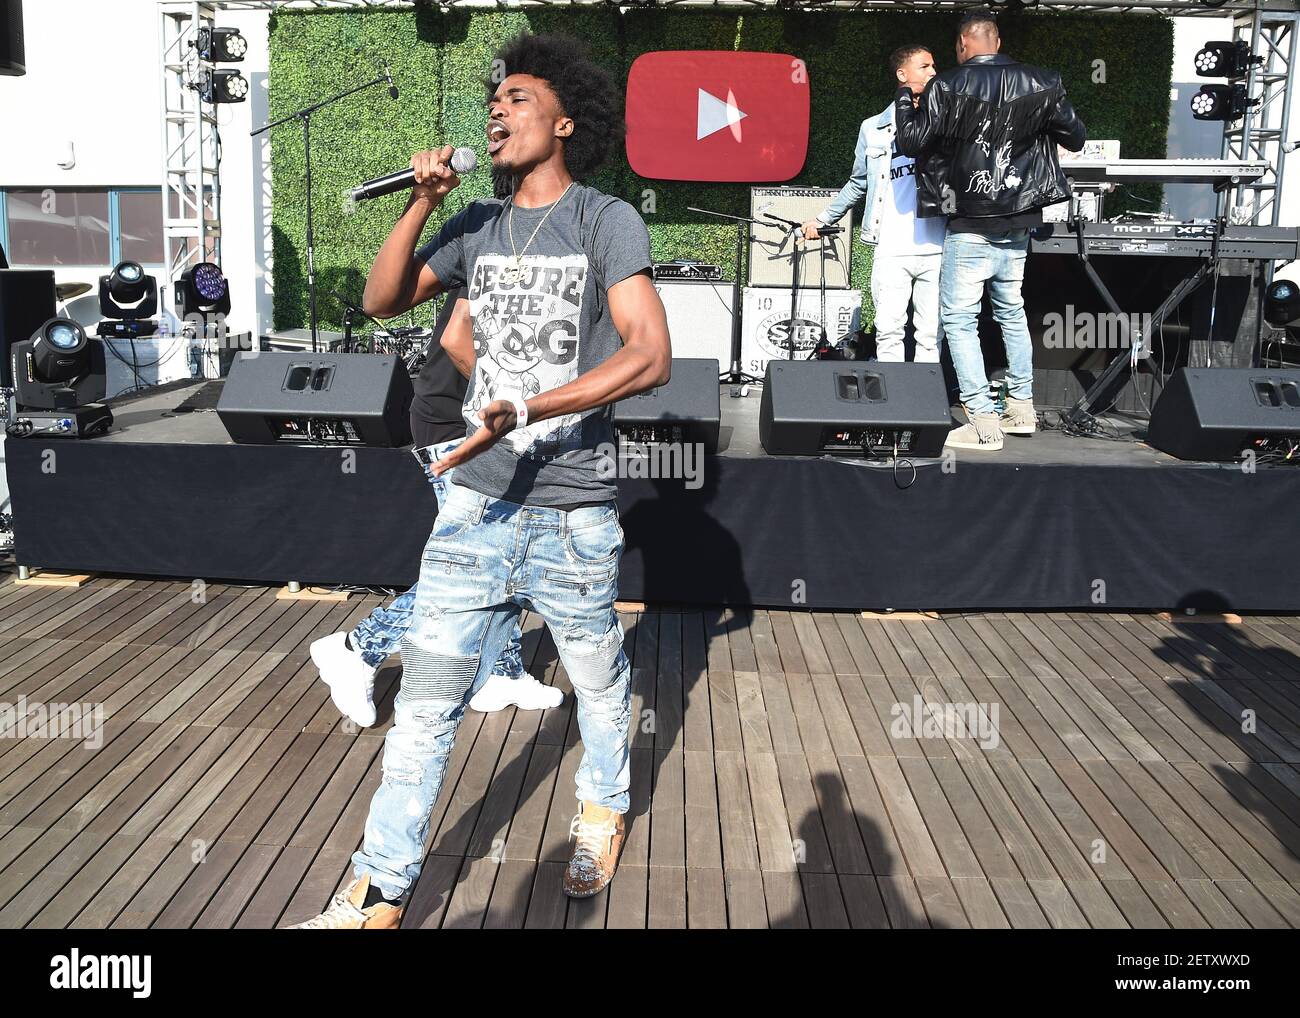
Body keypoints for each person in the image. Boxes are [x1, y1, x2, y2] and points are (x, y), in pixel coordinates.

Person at [289, 31, 671, 929]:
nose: (498, 111)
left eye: (521, 100)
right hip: (475, 507)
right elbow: (384, 299)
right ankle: (379, 889)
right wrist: (421, 205)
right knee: (425, 709)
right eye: (493, 102)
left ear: (567, 121)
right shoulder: (477, 227)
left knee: (601, 683)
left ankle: (602, 808)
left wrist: (530, 408)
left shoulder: (605, 221)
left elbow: (651, 355)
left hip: (572, 511)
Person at [307, 281, 563, 726]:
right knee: (466, 568)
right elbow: (455, 337)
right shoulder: (496, 244)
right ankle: (357, 649)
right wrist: (517, 402)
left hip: (481, 423)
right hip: (456, 425)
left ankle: (500, 673)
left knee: (496, 558)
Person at [895, 9, 1086, 450]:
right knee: (1011, 314)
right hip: (1019, 220)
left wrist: (907, 94)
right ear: (996, 41)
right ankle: (1021, 410)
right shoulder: (1044, 81)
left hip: (969, 220)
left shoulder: (948, 84)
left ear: (963, 45)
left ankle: (982, 422)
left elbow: (912, 141)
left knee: (960, 321)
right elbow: (1074, 137)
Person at [803, 45, 944, 363]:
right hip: (891, 246)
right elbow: (859, 182)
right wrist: (824, 217)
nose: (933, 72)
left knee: (931, 333)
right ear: (902, 74)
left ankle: (925, 406)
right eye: (925, 66)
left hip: (937, 243)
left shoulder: (944, 121)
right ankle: (894, 406)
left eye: (934, 66)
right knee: (889, 329)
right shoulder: (873, 128)